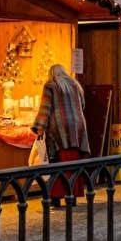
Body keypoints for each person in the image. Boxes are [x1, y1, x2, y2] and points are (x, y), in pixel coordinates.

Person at [32, 65, 91, 208]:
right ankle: (73, 197)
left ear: (51, 73)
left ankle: (56, 198)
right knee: (74, 161)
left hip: (59, 126)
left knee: (57, 161)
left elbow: (45, 108)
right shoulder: (75, 84)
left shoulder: (50, 85)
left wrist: (39, 127)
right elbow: (82, 105)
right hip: (77, 125)